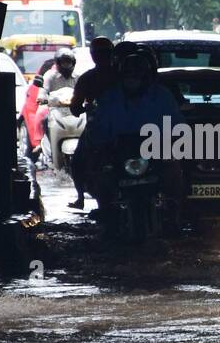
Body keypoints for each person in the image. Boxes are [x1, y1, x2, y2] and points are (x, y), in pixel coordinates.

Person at [83, 47, 185, 214]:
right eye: (128, 75)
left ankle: (174, 215)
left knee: (173, 170)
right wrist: (98, 146)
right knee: (101, 176)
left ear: (146, 77)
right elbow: (98, 129)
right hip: (118, 153)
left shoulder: (162, 97)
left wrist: (174, 140)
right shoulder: (110, 98)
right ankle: (107, 216)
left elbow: (177, 124)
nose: (132, 80)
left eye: (137, 75)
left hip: (155, 150)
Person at [65, 37, 118, 209]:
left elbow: (75, 107)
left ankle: (80, 197)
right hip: (103, 128)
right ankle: (80, 197)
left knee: (77, 162)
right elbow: (75, 106)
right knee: (78, 161)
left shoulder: (89, 78)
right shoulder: (118, 75)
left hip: (114, 127)